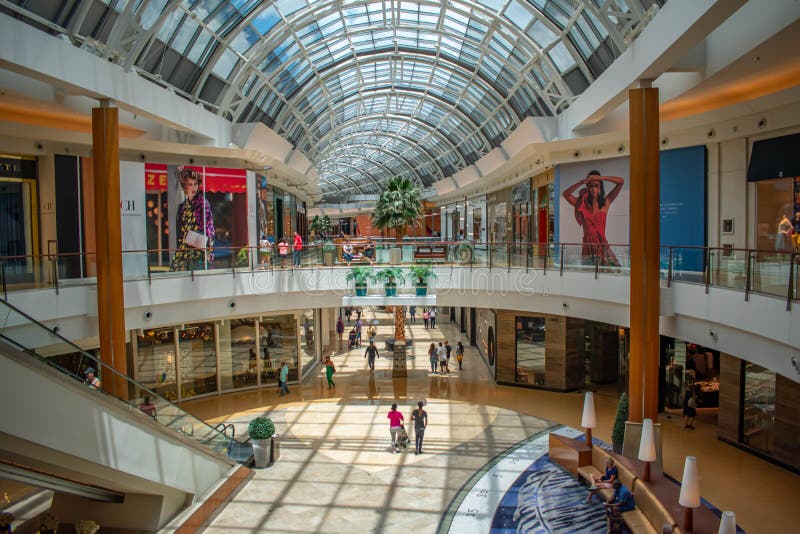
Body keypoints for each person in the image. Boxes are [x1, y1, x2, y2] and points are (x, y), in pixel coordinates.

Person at [561, 170, 624, 267]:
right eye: (591, 186)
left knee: (617, 271)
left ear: (600, 187)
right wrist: (581, 182)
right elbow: (566, 194)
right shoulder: (581, 204)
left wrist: (602, 178)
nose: (593, 189)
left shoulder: (605, 203)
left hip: (602, 245)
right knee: (590, 276)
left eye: (596, 186)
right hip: (588, 247)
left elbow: (621, 182)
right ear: (587, 187)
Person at [170, 167, 215, 272]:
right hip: (183, 254)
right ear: (185, 187)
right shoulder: (182, 207)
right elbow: (180, 235)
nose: (193, 187)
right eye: (190, 184)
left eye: (195, 184)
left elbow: (210, 233)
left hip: (199, 256)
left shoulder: (204, 204)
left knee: (196, 286)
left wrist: (192, 239)